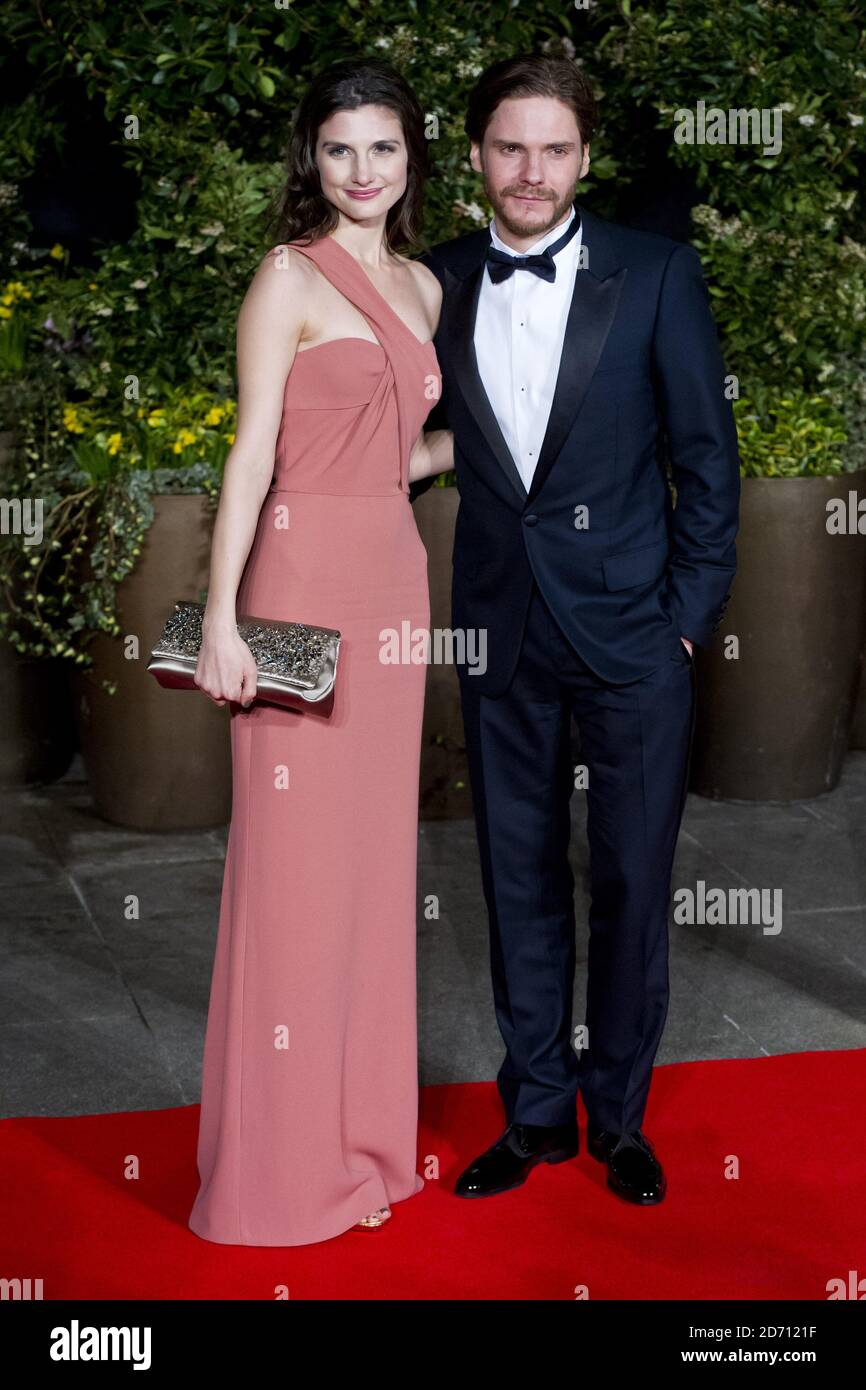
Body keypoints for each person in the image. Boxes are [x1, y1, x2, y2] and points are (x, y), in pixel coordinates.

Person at [410, 53, 741, 1205]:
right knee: (515, 875)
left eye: (554, 149)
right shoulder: (437, 281)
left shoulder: (653, 274)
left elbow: (704, 460)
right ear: (475, 157)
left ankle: (620, 1118)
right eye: (509, 147)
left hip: (635, 634)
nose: (531, 171)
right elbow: (404, 434)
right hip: (501, 630)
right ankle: (536, 1109)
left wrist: (688, 622)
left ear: (584, 158)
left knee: (634, 884)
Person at [187, 59, 443, 1246]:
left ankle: (360, 1145)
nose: (360, 171)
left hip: (392, 590)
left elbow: (386, 451)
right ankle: (278, 1173)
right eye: (339, 150)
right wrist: (223, 617)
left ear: (409, 159)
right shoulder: (286, 277)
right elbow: (253, 457)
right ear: (313, 159)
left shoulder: (426, 287)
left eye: (381, 149)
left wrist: (463, 460)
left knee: (370, 878)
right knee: (293, 886)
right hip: (295, 591)